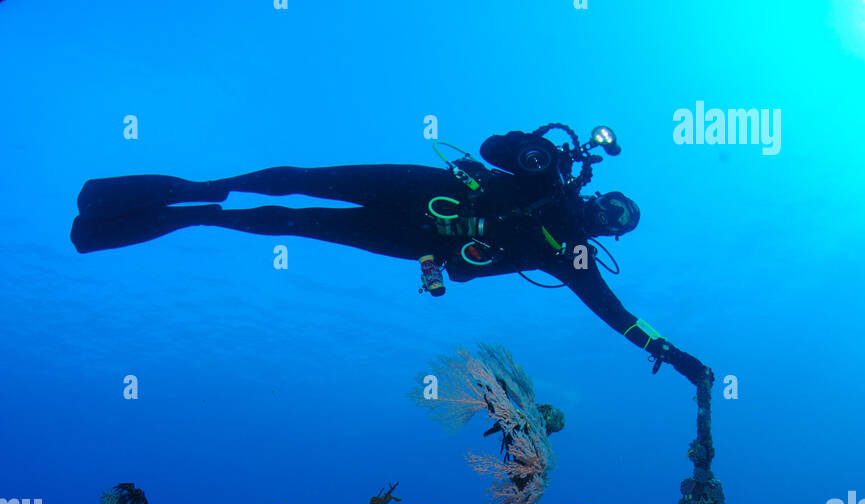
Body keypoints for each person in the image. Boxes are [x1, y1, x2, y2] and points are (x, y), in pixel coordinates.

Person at [70, 126, 708, 384]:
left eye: (614, 224)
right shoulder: (550, 176)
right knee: (301, 176)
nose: (603, 216)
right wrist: (528, 151)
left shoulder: (569, 256)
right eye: (610, 203)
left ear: (609, 237)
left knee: (295, 222)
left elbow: (617, 315)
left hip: (422, 242)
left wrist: (668, 352)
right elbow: (491, 144)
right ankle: (193, 191)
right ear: (597, 190)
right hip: (427, 190)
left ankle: (189, 216)